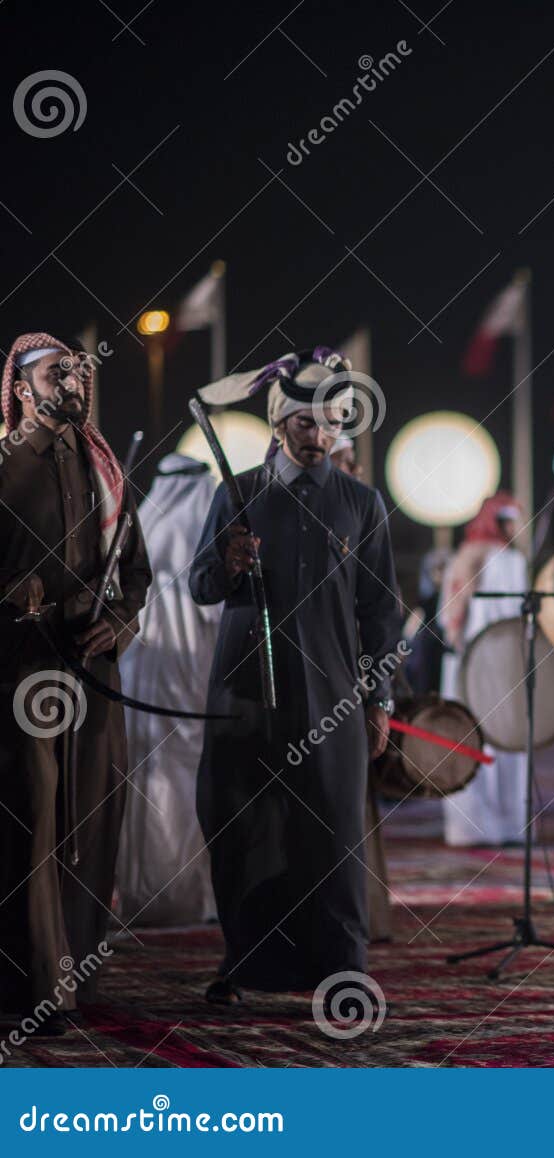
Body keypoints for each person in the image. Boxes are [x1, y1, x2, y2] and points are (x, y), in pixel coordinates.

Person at [190, 349, 406, 1005]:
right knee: (246, 832)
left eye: (334, 424)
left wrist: (380, 700)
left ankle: (339, 967)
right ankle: (252, 965)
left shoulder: (360, 504)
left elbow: (380, 610)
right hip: (246, 695)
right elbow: (200, 586)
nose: (321, 438)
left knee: (333, 836)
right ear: (280, 423)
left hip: (334, 700)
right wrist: (228, 561)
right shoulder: (238, 494)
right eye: (307, 425)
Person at [0, 334, 151, 1034]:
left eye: (79, 369)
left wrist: (119, 622)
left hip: (93, 666)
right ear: (22, 386)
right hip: (19, 664)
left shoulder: (104, 467)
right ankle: (40, 987)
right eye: (58, 370)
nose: (75, 378)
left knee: (91, 818)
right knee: (34, 817)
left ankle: (77, 971)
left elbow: (138, 573)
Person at [116, 454, 221, 927]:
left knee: (149, 779)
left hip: (141, 671)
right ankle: (191, 897)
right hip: (190, 673)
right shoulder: (201, 523)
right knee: (190, 781)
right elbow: (214, 612)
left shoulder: (145, 523)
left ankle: (148, 894)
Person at [439, 493, 529, 848]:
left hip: (508, 658)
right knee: (474, 732)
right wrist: (457, 641)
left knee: (506, 735)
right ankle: (473, 825)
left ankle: (508, 821)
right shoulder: (473, 553)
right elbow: (456, 603)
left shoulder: (514, 557)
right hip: (476, 654)